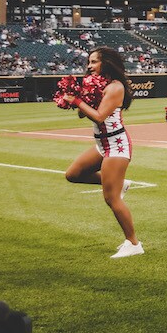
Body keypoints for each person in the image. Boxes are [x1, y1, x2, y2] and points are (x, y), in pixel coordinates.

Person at [62, 47, 143, 259]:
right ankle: (121, 183)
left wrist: (77, 101)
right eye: (89, 62)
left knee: (111, 198)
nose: (89, 66)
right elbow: (83, 115)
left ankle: (134, 243)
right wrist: (82, 99)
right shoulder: (100, 85)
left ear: (106, 63)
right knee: (73, 174)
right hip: (102, 145)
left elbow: (99, 117)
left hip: (117, 145)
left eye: (94, 62)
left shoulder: (115, 87)